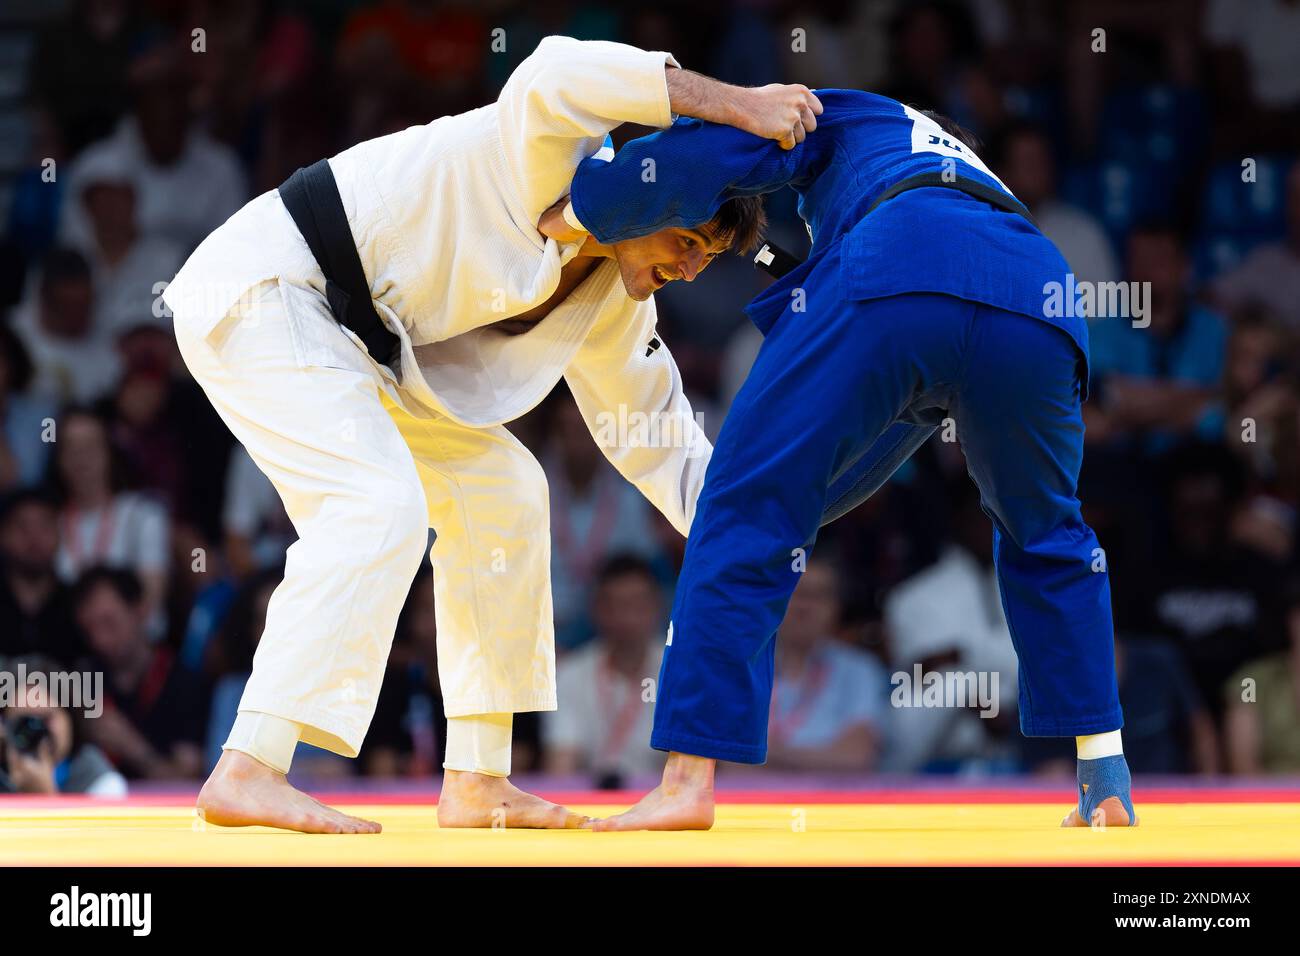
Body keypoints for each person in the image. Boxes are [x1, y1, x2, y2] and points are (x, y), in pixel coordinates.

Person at [163, 34, 820, 834]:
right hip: (272, 284)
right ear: (650, 195)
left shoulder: (614, 303)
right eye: (687, 242)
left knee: (505, 491)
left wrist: (759, 532)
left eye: (708, 258)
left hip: (369, 349)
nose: (689, 270)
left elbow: (659, 441)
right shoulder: (543, 153)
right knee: (376, 504)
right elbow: (559, 67)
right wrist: (743, 106)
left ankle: (477, 778)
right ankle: (249, 764)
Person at [553, 91, 1135, 830]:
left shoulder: (859, 113)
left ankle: (688, 779)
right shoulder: (976, 178)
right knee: (1048, 532)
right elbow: (875, 384)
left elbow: (720, 145)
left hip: (897, 270)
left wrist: (589, 203)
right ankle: (1104, 772)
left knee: (740, 505)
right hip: (1037, 297)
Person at [543, 554, 667, 784]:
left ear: (657, 606)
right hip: (588, 806)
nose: (627, 617)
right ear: (597, 609)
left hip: (665, 803)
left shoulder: (680, 675)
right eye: (616, 605)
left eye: (637, 605)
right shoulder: (570, 674)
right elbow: (560, 767)